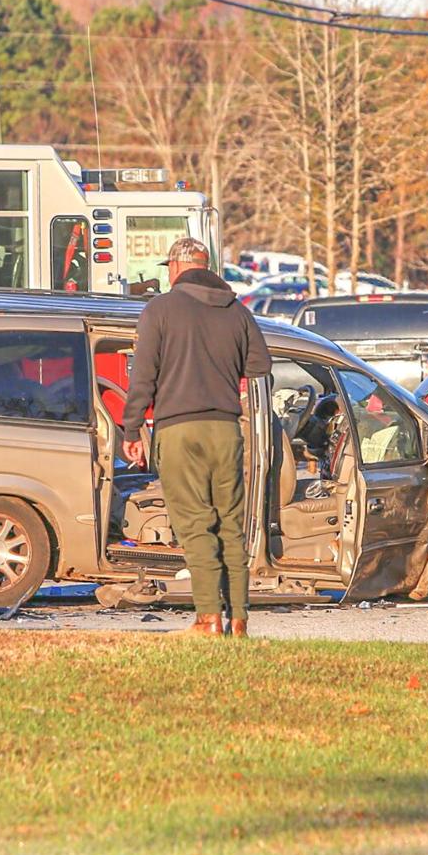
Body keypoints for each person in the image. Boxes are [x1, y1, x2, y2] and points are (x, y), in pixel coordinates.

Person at [122, 237, 272, 637]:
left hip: (178, 429)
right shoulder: (237, 312)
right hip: (225, 429)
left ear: (175, 267)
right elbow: (260, 363)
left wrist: (132, 427)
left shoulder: (160, 309)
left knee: (194, 524)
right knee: (230, 523)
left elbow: (143, 376)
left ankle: (208, 618)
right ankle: (238, 618)